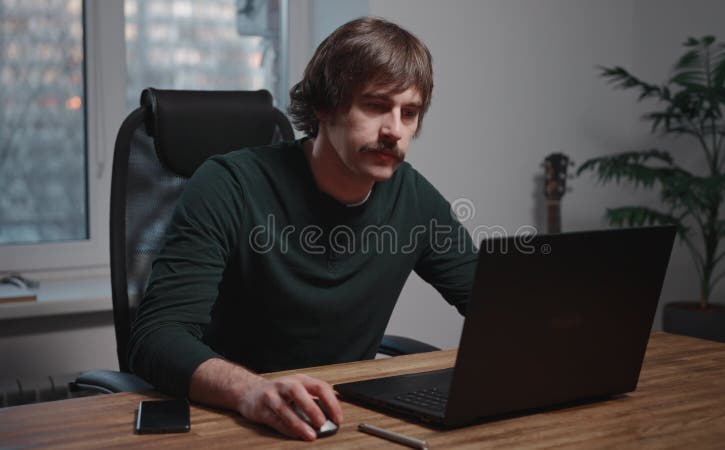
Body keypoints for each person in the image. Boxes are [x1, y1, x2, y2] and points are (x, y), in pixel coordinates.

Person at [128, 17, 478, 441]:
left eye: (410, 113)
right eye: (375, 105)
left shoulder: (413, 199)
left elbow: (497, 304)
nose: (394, 131)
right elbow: (156, 337)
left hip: (341, 422)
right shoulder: (228, 185)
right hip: (231, 421)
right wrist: (251, 391)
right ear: (324, 106)